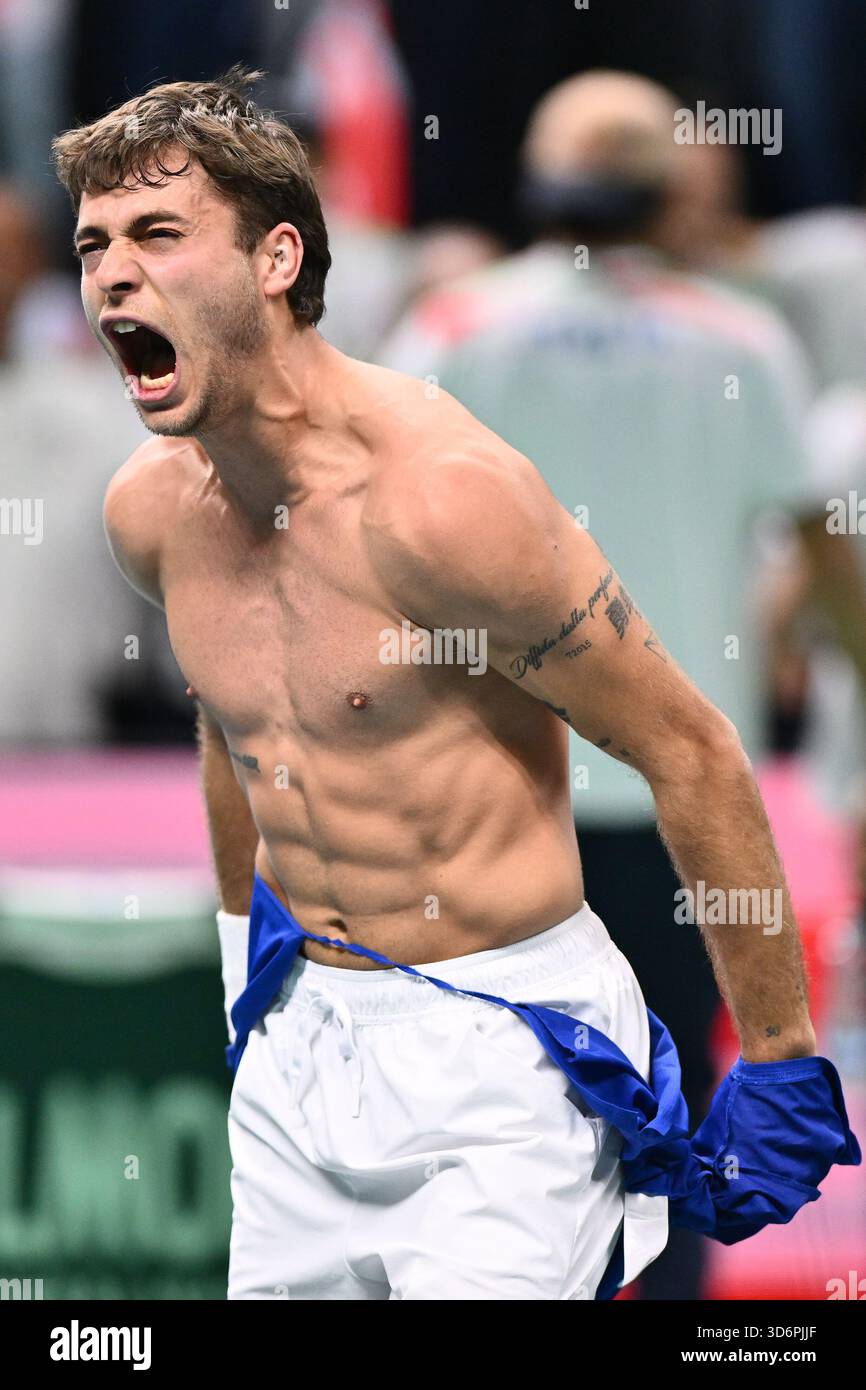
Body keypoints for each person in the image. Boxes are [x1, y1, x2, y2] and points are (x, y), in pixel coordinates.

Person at [51, 67, 828, 1301]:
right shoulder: (151, 515)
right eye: (93, 244)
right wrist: (234, 958)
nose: (109, 275)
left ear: (275, 258)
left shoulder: (443, 500)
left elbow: (689, 747)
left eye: (155, 233)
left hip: (501, 1058)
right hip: (300, 1048)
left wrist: (779, 1052)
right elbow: (231, 719)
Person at [380, 71, 820, 1296]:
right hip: (683, 812)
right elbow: (816, 558)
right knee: (670, 1120)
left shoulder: (451, 334)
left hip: (494, 802)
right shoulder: (740, 344)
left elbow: (379, 561)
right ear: (664, 185)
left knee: (493, 1124)